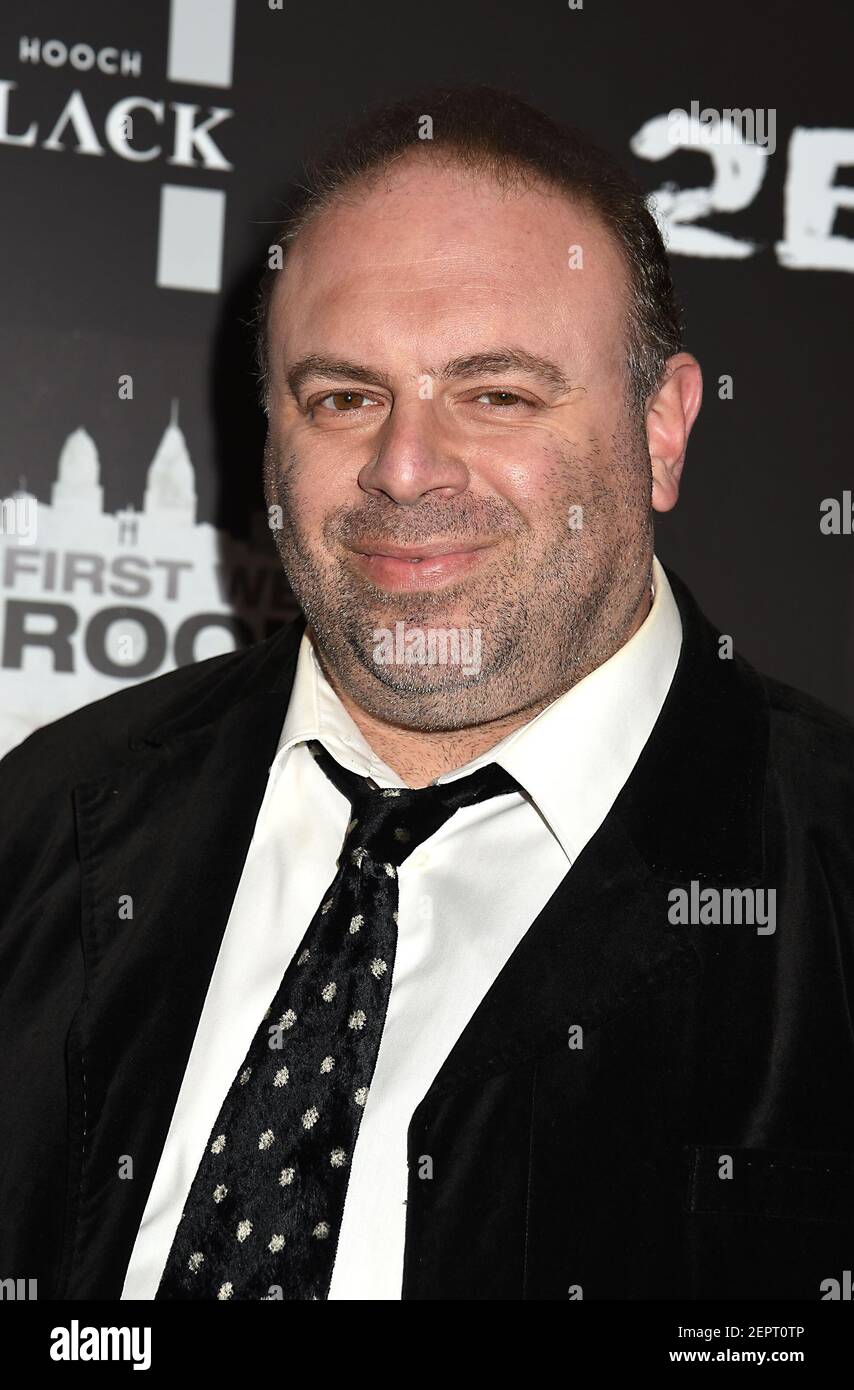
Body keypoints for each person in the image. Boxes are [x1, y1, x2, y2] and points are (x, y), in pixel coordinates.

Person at [2, 86, 853, 1302]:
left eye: (495, 393)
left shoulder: (825, 886)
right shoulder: (45, 822)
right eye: (343, 397)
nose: (405, 469)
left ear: (661, 430)